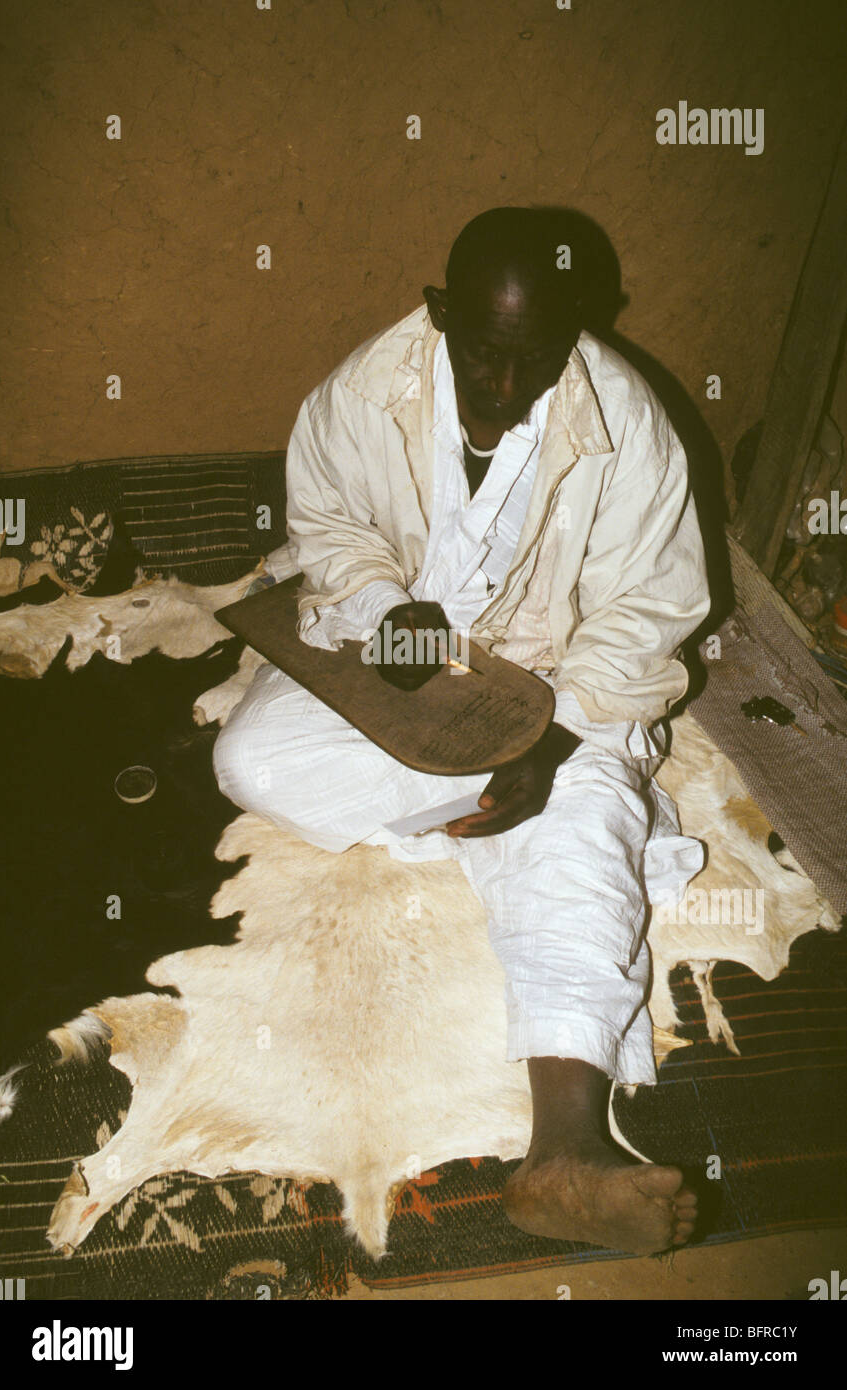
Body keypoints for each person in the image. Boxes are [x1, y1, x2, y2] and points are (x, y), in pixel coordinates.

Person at [213, 207, 711, 1255]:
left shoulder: (628, 423)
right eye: (484, 354)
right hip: (409, 660)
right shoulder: (361, 392)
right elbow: (332, 532)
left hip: (554, 675)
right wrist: (385, 615)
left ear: (579, 328)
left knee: (579, 794)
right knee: (252, 757)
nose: (503, 386)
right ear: (440, 312)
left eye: (534, 359)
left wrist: (556, 736)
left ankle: (566, 1146)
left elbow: (648, 612)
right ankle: (532, 824)